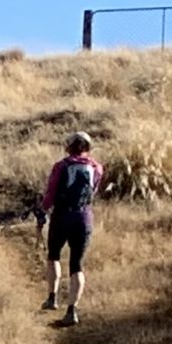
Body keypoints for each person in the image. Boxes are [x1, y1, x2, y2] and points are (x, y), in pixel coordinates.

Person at [39, 131, 102, 328]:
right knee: (77, 265)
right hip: (84, 218)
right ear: (88, 147)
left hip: (61, 216)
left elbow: (51, 193)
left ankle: (52, 297)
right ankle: (72, 310)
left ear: (68, 147)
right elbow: (94, 190)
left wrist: (43, 208)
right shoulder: (96, 167)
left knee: (54, 256)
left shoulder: (61, 166)